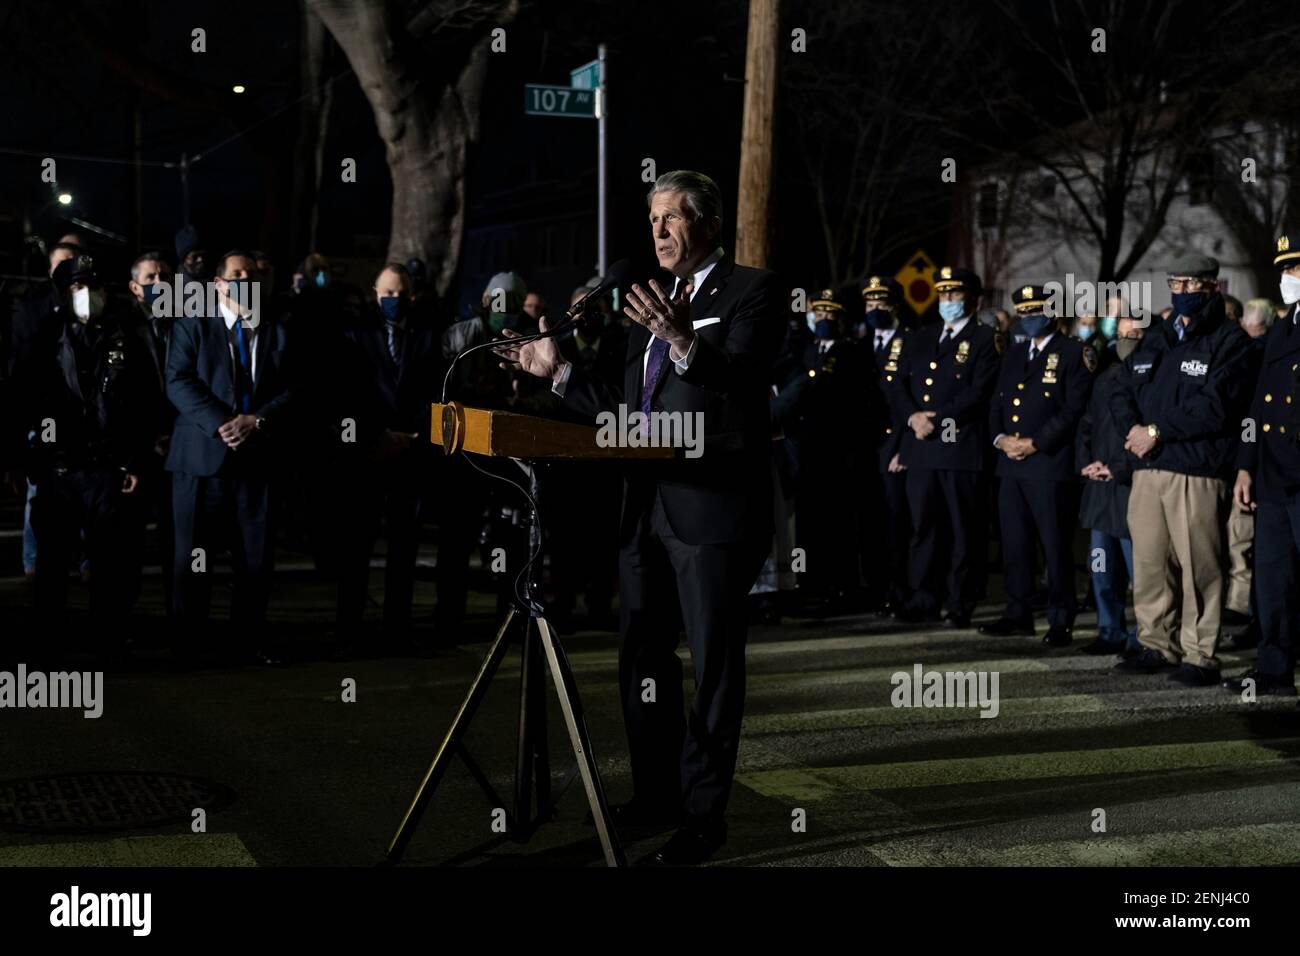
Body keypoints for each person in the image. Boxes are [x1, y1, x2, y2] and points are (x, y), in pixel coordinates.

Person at [496, 169, 783, 866]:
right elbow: (625, 411)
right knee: (642, 661)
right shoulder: (642, 306)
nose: (656, 230)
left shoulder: (752, 291)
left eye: (672, 217)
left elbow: (748, 389)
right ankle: (655, 796)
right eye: (652, 218)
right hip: (643, 511)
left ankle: (702, 818)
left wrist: (687, 344)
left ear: (708, 225)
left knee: (714, 667)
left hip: (712, 512)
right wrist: (559, 374)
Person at [1110, 254, 1254, 686]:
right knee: (1151, 563)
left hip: (1196, 470)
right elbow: (1121, 387)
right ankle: (1156, 644)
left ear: (1212, 287)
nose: (1182, 291)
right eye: (1176, 282)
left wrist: (1156, 430)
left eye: (1192, 284)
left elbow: (1216, 407)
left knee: (1200, 567)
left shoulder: (1229, 341)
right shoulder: (1158, 337)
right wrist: (1134, 430)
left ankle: (1200, 653)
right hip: (1149, 467)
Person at [20, 255, 154, 652]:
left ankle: (107, 638)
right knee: (53, 562)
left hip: (107, 467)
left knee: (109, 561)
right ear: (65, 293)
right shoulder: (46, 337)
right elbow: (26, 397)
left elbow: (142, 402)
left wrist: (136, 459)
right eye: (78, 287)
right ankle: (49, 638)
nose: (87, 295)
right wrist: (30, 458)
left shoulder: (124, 336)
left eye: (93, 287)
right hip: (59, 467)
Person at [165, 250, 293, 665]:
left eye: (253, 274)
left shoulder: (277, 330)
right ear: (218, 284)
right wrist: (223, 423)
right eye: (237, 273)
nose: (246, 279)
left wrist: (258, 421)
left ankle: (248, 642)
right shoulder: (193, 323)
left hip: (256, 463)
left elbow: (295, 387)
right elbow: (178, 380)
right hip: (202, 461)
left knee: (254, 560)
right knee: (193, 560)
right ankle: (190, 644)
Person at [336, 263, 440, 652]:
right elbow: (347, 391)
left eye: (400, 294)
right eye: (387, 293)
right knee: (357, 547)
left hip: (409, 452)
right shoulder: (354, 334)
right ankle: (348, 629)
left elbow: (433, 388)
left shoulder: (426, 336)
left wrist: (411, 435)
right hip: (367, 453)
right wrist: (374, 435)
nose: (393, 300)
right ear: (374, 293)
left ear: (411, 296)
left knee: (403, 547)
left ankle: (397, 629)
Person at [982, 284, 1093, 646]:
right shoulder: (1014, 354)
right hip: (1011, 464)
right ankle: (1018, 611)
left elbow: (1073, 408)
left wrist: (1035, 442)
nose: (1030, 319)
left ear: (1054, 313)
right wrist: (1001, 440)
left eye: (1037, 312)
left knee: (1055, 545)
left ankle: (1061, 617)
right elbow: (997, 403)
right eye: (1024, 313)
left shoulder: (1075, 352)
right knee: (1015, 543)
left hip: (1048, 463)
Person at [890, 266, 1000, 628]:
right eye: (944, 294)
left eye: (955, 294)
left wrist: (935, 419)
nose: (948, 301)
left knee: (962, 530)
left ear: (972, 299)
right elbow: (899, 384)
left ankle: (959, 601)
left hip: (959, 447)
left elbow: (978, 392)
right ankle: (924, 596)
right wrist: (912, 418)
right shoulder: (921, 337)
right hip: (920, 447)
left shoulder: (986, 338)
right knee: (924, 528)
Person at [1223, 235, 1300, 696]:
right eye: (1286, 271)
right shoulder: (1282, 330)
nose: (1288, 280)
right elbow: (1258, 404)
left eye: (1296, 271)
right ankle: (1274, 668)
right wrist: (1246, 466)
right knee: (1273, 578)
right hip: (1273, 474)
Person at [792, 287, 869, 612]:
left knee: (838, 521)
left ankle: (842, 587)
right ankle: (814, 584)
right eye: (818, 313)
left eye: (830, 314)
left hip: (838, 451)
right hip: (809, 450)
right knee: (812, 521)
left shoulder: (849, 352)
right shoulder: (808, 351)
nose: (823, 319)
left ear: (841, 318)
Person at [1076, 315, 1146, 655]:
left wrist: (1118, 469)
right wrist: (1085, 463)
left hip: (1129, 487)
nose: (1126, 340)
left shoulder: (1150, 378)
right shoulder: (1105, 378)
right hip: (1100, 488)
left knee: (1140, 573)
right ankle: (1110, 630)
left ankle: (1144, 635)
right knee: (1102, 566)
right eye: (1121, 335)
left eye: (1134, 334)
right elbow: (1087, 423)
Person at [127, 251, 180, 616]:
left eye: (164, 277)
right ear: (135, 288)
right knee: (128, 544)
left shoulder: (189, 323)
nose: (158, 285)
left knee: (177, 543)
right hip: (140, 449)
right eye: (150, 280)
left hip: (181, 446)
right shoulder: (122, 328)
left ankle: (178, 618)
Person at [858, 274, 911, 614]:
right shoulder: (859, 346)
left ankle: (900, 590)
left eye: (882, 303)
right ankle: (874, 589)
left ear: (895, 306)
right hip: (864, 449)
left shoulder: (911, 343)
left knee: (897, 524)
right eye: (870, 303)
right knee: (868, 523)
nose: (875, 309)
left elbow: (914, 401)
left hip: (895, 448)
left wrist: (905, 447)